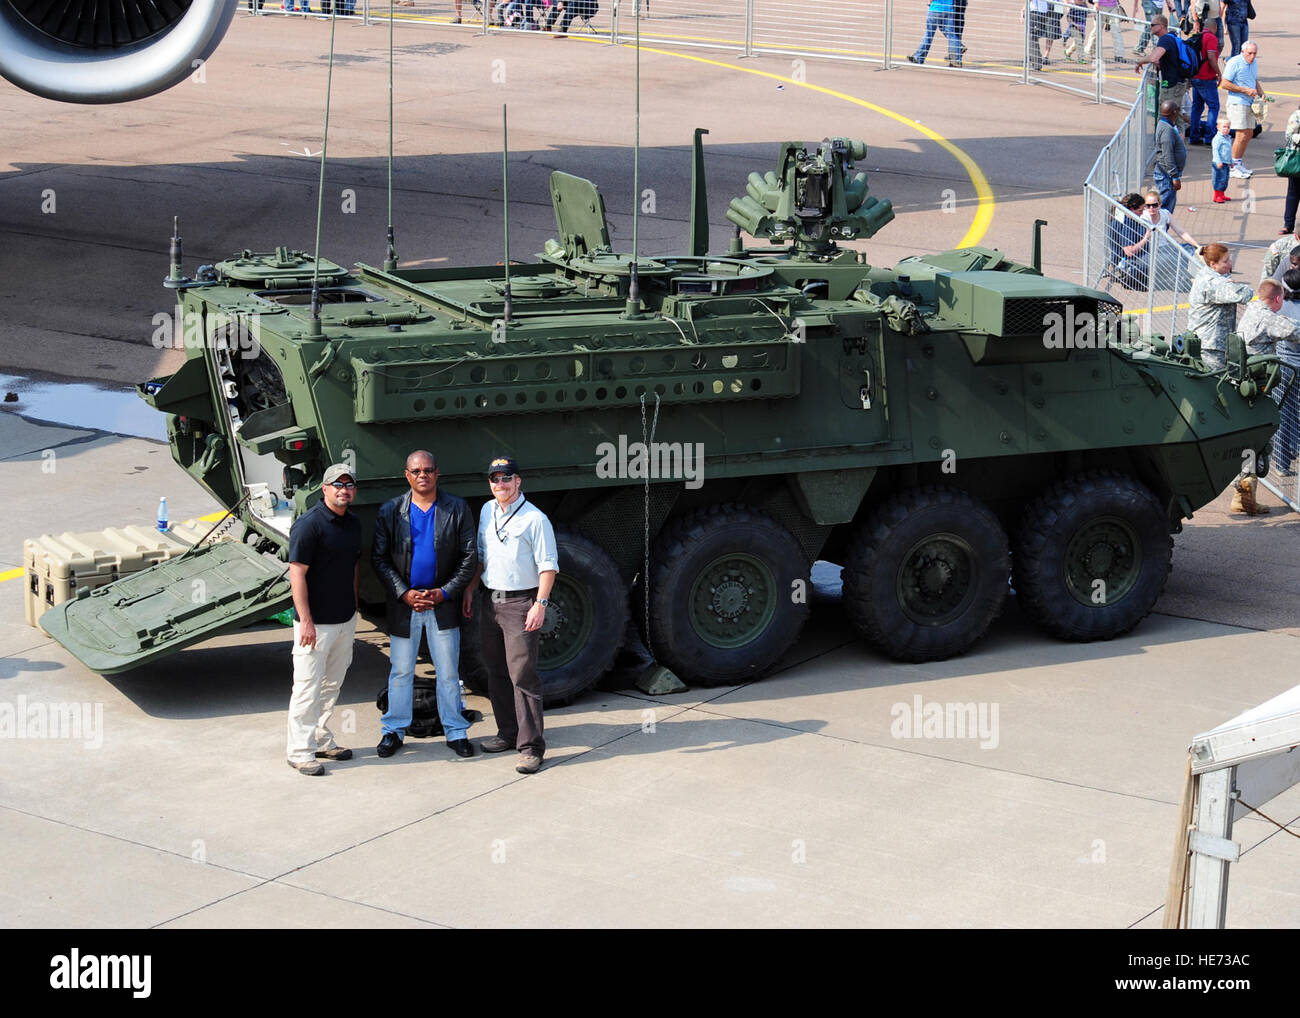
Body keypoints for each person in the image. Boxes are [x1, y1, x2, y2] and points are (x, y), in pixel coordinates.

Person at [372, 450, 479, 760]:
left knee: (447, 671)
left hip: (442, 604)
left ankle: (455, 731)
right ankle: (393, 730)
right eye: (416, 470)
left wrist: (444, 593)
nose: (423, 475)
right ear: (407, 475)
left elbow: (469, 557)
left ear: (437, 473)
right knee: (401, 671)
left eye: (428, 470)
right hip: (405, 606)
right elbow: (379, 558)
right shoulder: (391, 511)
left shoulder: (456, 509)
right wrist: (404, 593)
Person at [464, 457, 558, 775]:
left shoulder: (535, 519)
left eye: (506, 479)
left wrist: (540, 604)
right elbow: (482, 555)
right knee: (496, 671)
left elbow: (548, 565)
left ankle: (531, 748)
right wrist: (471, 589)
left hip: (521, 603)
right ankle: (507, 733)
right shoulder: (487, 511)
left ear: (518, 482)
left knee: (523, 676)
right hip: (491, 601)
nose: (500, 485)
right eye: (494, 479)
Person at [285, 464, 361, 776]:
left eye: (349, 485)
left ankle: (320, 738)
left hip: (344, 619)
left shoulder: (353, 524)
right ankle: (300, 752)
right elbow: (297, 572)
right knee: (306, 688)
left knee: (331, 686)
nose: (343, 490)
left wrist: (354, 606)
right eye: (337, 485)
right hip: (315, 625)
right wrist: (305, 620)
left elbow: (353, 565)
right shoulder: (309, 525)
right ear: (324, 489)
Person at [1188, 242, 1253, 370]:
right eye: (1225, 261)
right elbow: (1245, 294)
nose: (1230, 264)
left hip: (1207, 342)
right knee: (1215, 383)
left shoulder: (1207, 274)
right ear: (1213, 264)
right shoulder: (1214, 283)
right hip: (1210, 347)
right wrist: (1236, 286)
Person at [1221, 41, 1264, 178]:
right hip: (1237, 102)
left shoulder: (1254, 63)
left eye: (1254, 53)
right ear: (1242, 51)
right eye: (1249, 53)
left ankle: (1238, 163)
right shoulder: (1234, 62)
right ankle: (1232, 167)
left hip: (1250, 103)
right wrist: (1244, 90)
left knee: (1249, 133)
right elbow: (1224, 83)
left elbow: (1254, 79)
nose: (1252, 56)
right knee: (1241, 135)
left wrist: (1261, 92)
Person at [1133, 16, 1190, 111]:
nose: (1150, 27)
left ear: (1160, 26)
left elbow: (1154, 58)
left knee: (1165, 113)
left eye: (1152, 25)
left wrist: (1140, 62)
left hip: (1172, 85)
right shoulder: (1172, 38)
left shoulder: (1165, 40)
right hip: (1178, 83)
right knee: (1176, 115)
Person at [1186, 10, 1222, 146]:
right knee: (1213, 107)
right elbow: (1212, 58)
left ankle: (1194, 136)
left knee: (1197, 107)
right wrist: (1218, 73)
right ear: (1215, 28)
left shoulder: (1198, 37)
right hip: (1206, 78)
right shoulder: (1211, 38)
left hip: (1195, 76)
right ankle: (1210, 137)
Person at [1153, 100, 1187, 212]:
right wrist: (1175, 176)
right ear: (1174, 112)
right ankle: (1160, 229)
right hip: (1166, 175)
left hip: (1167, 173)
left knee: (1167, 206)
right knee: (1165, 209)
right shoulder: (1167, 130)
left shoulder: (1165, 124)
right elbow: (1168, 155)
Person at [908, 0, 962, 68]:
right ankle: (956, 61)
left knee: (928, 35)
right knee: (952, 35)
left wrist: (929, 2)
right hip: (948, 9)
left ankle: (919, 57)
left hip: (935, 8)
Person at [1280, 101, 1300, 237]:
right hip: (1297, 159)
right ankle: (1288, 224)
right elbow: (1288, 135)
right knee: (1293, 193)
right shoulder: (1296, 116)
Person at [1023, 0, 1059, 71]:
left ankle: (1037, 62)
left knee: (1032, 37)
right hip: (1043, 11)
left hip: (1038, 11)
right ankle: (1034, 58)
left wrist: (1023, 9)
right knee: (1033, 36)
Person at [1211, 114, 1233, 202]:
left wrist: (1231, 161)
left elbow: (1229, 151)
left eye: (1228, 127)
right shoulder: (1218, 139)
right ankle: (1216, 196)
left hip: (1226, 162)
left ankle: (1222, 194)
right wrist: (1218, 161)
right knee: (1218, 178)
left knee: (1225, 179)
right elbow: (1215, 151)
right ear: (1218, 127)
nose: (1226, 129)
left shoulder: (1228, 138)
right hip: (1219, 163)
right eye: (1224, 127)